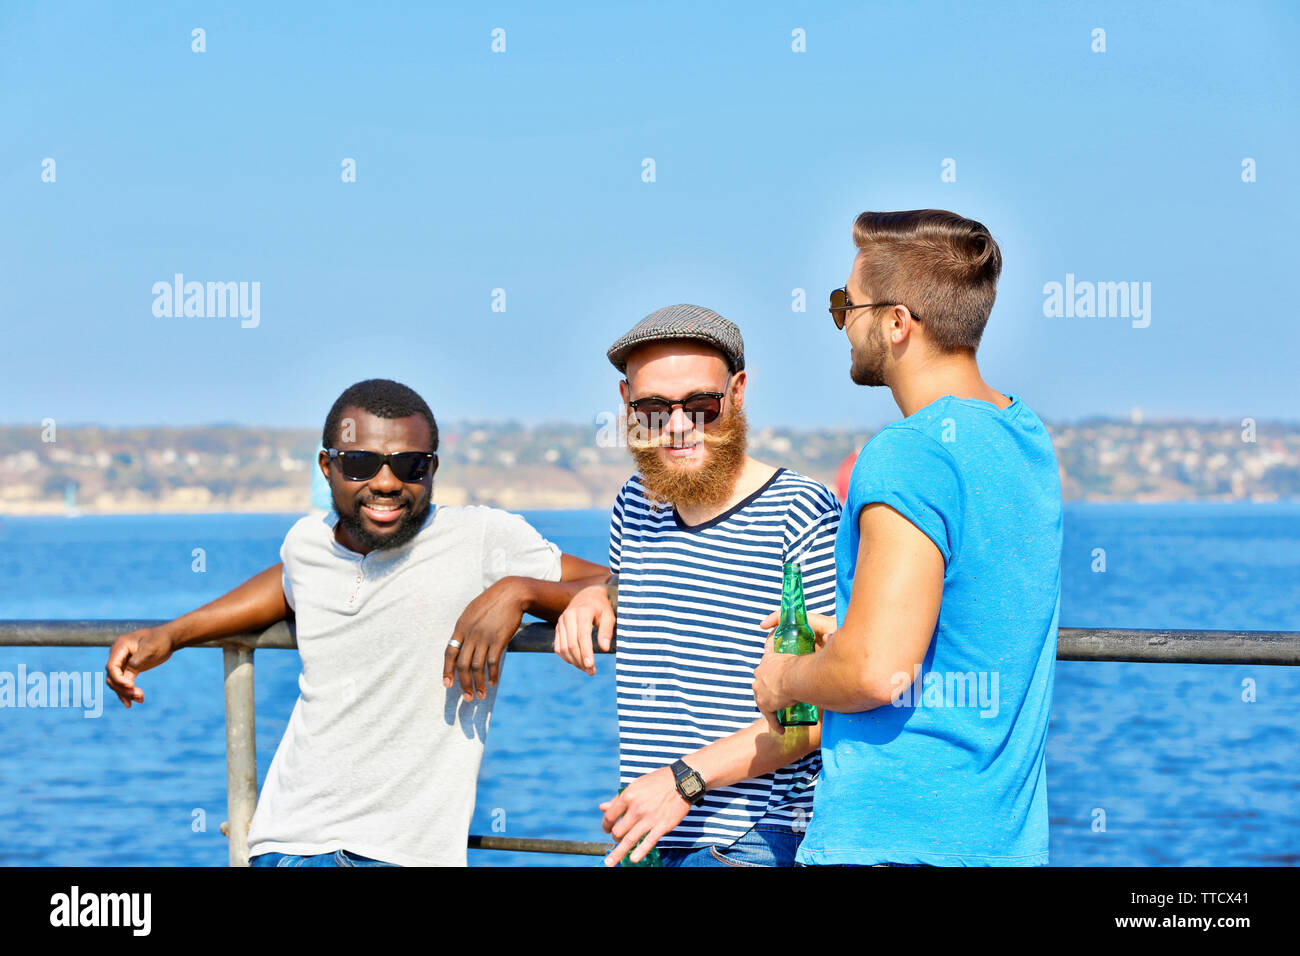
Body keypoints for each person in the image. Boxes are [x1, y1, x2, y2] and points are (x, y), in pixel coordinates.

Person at [105, 378, 608, 866]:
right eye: (361, 463)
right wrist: (170, 635)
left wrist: (520, 592)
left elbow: (623, 585)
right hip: (284, 844)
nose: (386, 483)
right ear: (327, 466)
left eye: (410, 465)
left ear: (432, 468)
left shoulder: (480, 539)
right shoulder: (307, 543)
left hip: (400, 854)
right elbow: (285, 584)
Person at [752, 209, 1063, 866]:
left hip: (891, 847)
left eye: (846, 304)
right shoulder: (1028, 441)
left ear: (896, 323)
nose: (842, 323)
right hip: (1001, 847)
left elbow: (875, 671)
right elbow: (968, 609)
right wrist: (858, 628)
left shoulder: (908, 454)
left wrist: (786, 678)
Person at [554, 305, 841, 867]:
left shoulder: (800, 511)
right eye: (655, 409)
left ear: (736, 394)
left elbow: (818, 713)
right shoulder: (633, 508)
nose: (679, 426)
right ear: (627, 405)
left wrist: (684, 781)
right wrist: (594, 592)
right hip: (651, 833)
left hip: (754, 838)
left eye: (702, 406)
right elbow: (653, 589)